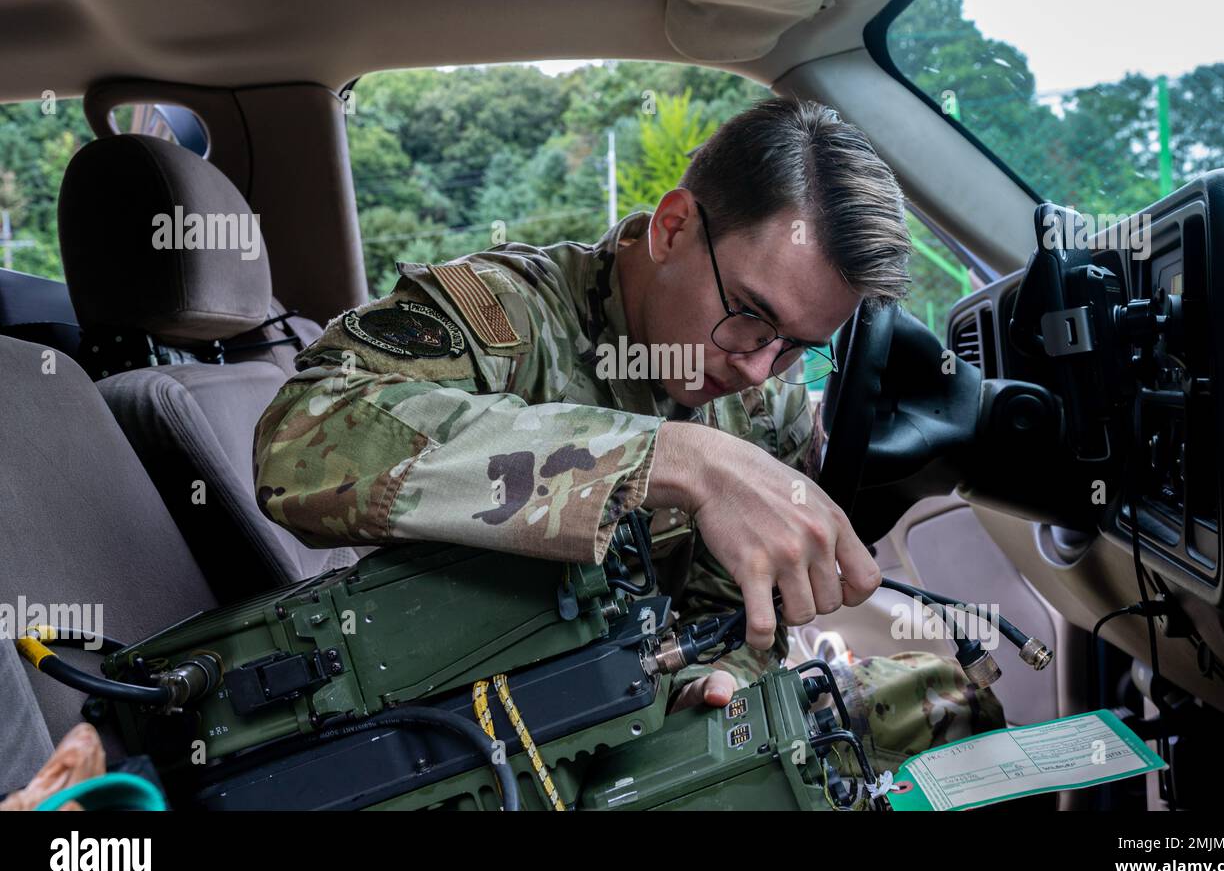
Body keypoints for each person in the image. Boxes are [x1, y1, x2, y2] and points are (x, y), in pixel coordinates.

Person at [253, 98, 1003, 773]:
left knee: (949, 706)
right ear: (673, 228)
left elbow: (733, 614)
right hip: (451, 739)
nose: (757, 366)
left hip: (627, 719)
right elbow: (300, 438)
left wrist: (719, 679)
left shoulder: (766, 399)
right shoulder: (511, 321)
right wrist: (666, 457)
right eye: (750, 312)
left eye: (798, 346)